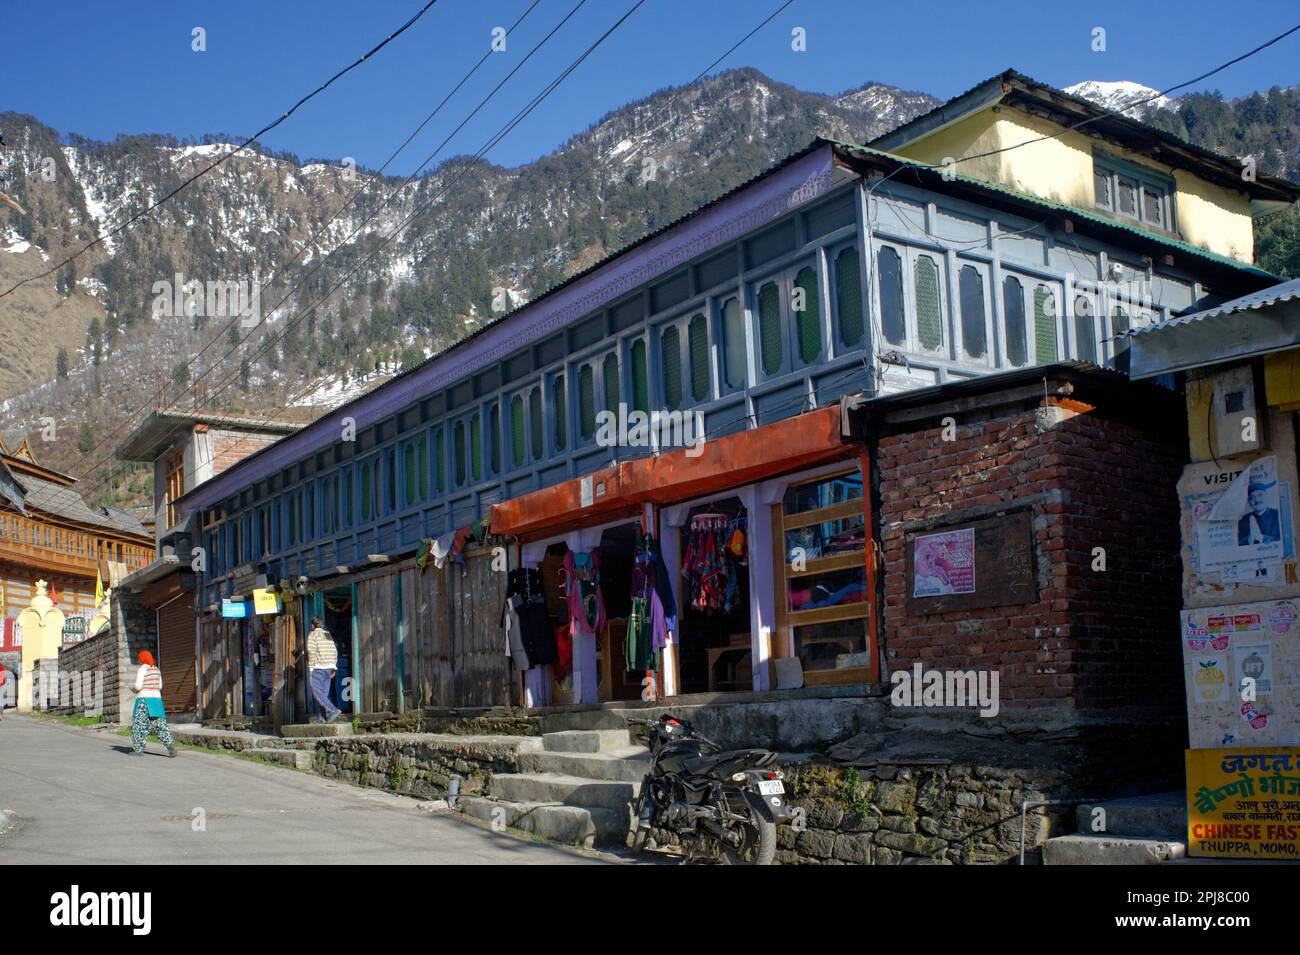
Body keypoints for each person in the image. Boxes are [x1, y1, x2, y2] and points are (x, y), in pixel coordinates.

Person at [131, 650, 175, 757]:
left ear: (142, 659)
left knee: (139, 725)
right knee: (160, 725)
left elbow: (137, 686)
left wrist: (132, 689)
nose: (138, 660)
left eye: (139, 659)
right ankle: (171, 748)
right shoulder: (156, 670)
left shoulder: (142, 669)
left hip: (144, 701)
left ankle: (138, 750)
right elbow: (160, 686)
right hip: (156, 701)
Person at [305, 617, 343, 723]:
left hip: (319, 667)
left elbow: (311, 652)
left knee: (317, 692)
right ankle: (322, 718)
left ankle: (332, 710)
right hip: (329, 667)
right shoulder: (327, 635)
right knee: (323, 694)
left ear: (313, 626)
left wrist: (311, 668)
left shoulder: (313, 635)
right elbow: (334, 650)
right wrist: (333, 666)